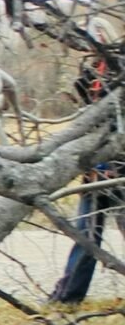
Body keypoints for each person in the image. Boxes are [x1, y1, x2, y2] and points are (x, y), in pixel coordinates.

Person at [54, 42, 121, 305]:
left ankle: (69, 295)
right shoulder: (95, 69)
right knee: (85, 236)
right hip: (95, 168)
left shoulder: (118, 69)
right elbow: (86, 107)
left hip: (119, 169)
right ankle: (68, 296)